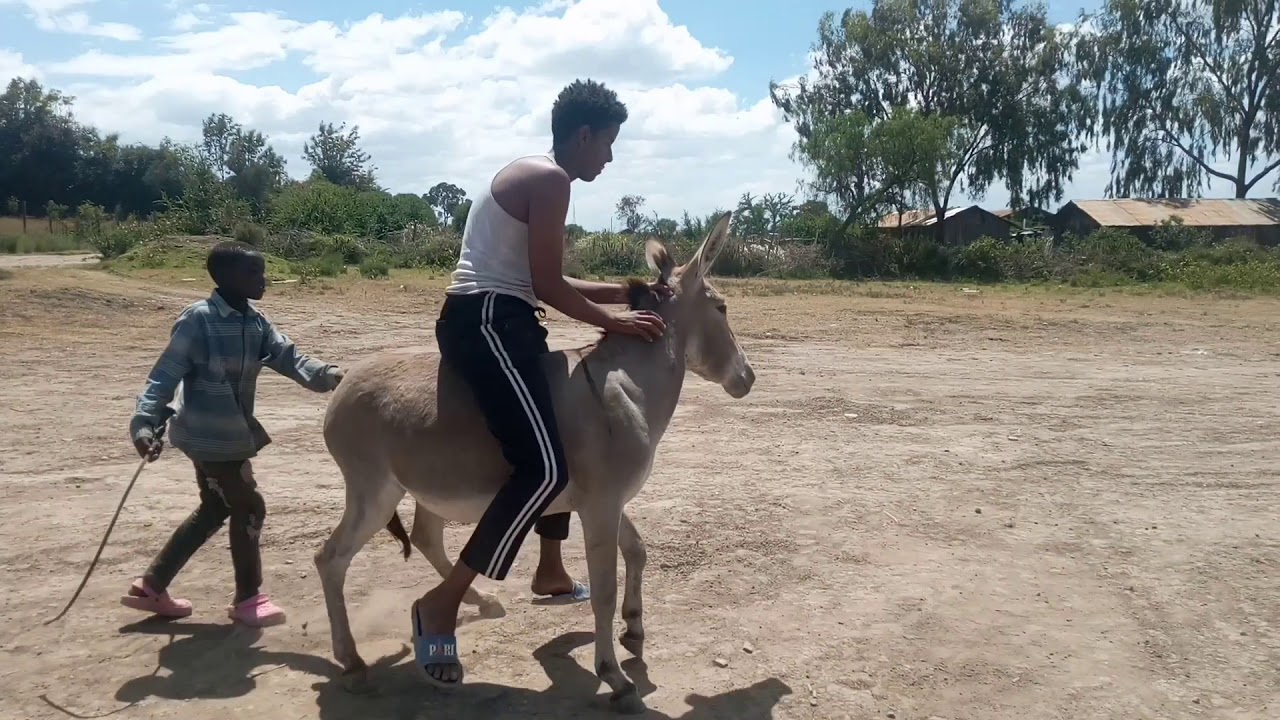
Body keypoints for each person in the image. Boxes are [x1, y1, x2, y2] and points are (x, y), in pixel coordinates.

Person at [414, 78, 668, 685]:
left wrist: (631, 293)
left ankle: (549, 569)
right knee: (546, 469)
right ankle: (441, 603)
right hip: (489, 324)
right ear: (583, 135)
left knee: (564, 444)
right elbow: (547, 287)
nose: (610, 157)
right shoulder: (552, 180)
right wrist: (616, 324)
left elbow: (543, 277)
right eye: (607, 143)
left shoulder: (536, 174)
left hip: (504, 320)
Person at [122, 240, 346, 628]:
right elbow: (164, 376)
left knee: (215, 507)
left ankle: (152, 585)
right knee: (249, 506)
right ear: (224, 277)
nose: (263, 279)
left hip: (231, 434)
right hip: (207, 437)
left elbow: (289, 358)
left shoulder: (254, 322)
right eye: (253, 272)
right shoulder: (199, 319)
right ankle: (248, 598)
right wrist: (144, 424)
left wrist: (335, 377)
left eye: (262, 271)